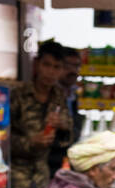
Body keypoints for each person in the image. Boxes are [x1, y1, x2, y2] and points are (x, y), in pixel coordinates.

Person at [10, 40, 73, 188]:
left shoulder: (59, 96)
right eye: (47, 65)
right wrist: (30, 142)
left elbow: (69, 138)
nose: (50, 72)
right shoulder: (18, 95)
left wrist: (62, 126)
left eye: (56, 67)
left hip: (43, 182)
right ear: (37, 64)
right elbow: (1, 139)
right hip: (17, 183)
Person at [48, 44, 85, 176]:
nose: (73, 71)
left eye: (77, 66)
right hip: (49, 163)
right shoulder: (49, 93)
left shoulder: (72, 94)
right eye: (68, 65)